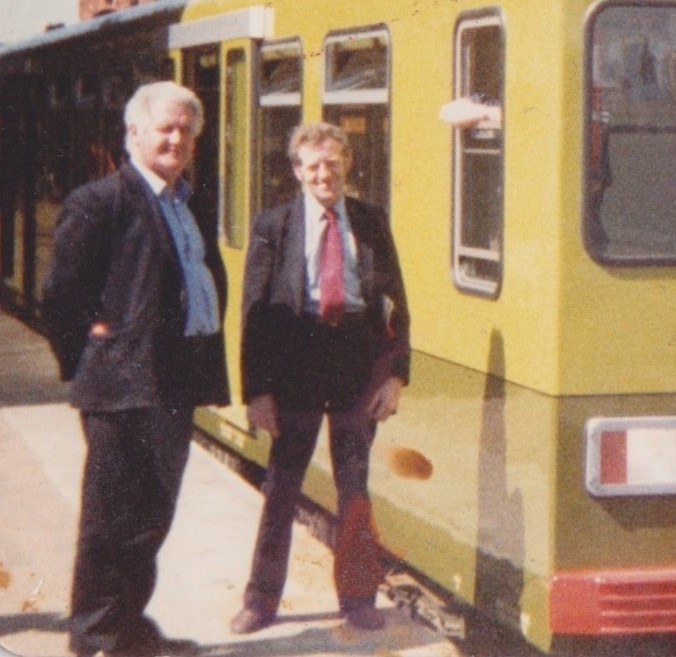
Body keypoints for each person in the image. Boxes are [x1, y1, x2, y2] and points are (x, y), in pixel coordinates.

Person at [42, 81, 229, 657]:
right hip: (123, 388)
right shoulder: (101, 201)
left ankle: (128, 627)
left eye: (185, 130)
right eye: (165, 128)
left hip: (171, 386)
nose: (176, 138)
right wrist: (97, 358)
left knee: (150, 516)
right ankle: (96, 636)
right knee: (111, 518)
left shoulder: (187, 201)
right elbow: (60, 296)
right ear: (134, 134)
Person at [230, 122, 410, 635]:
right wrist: (258, 392)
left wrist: (395, 375)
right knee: (282, 487)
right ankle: (261, 599)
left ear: (347, 162)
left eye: (332, 162)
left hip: (358, 368)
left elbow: (397, 303)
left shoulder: (372, 221)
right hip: (295, 370)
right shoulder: (274, 226)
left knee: (355, 488)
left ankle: (357, 597)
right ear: (297, 171)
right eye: (312, 165)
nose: (323, 173)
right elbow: (254, 314)